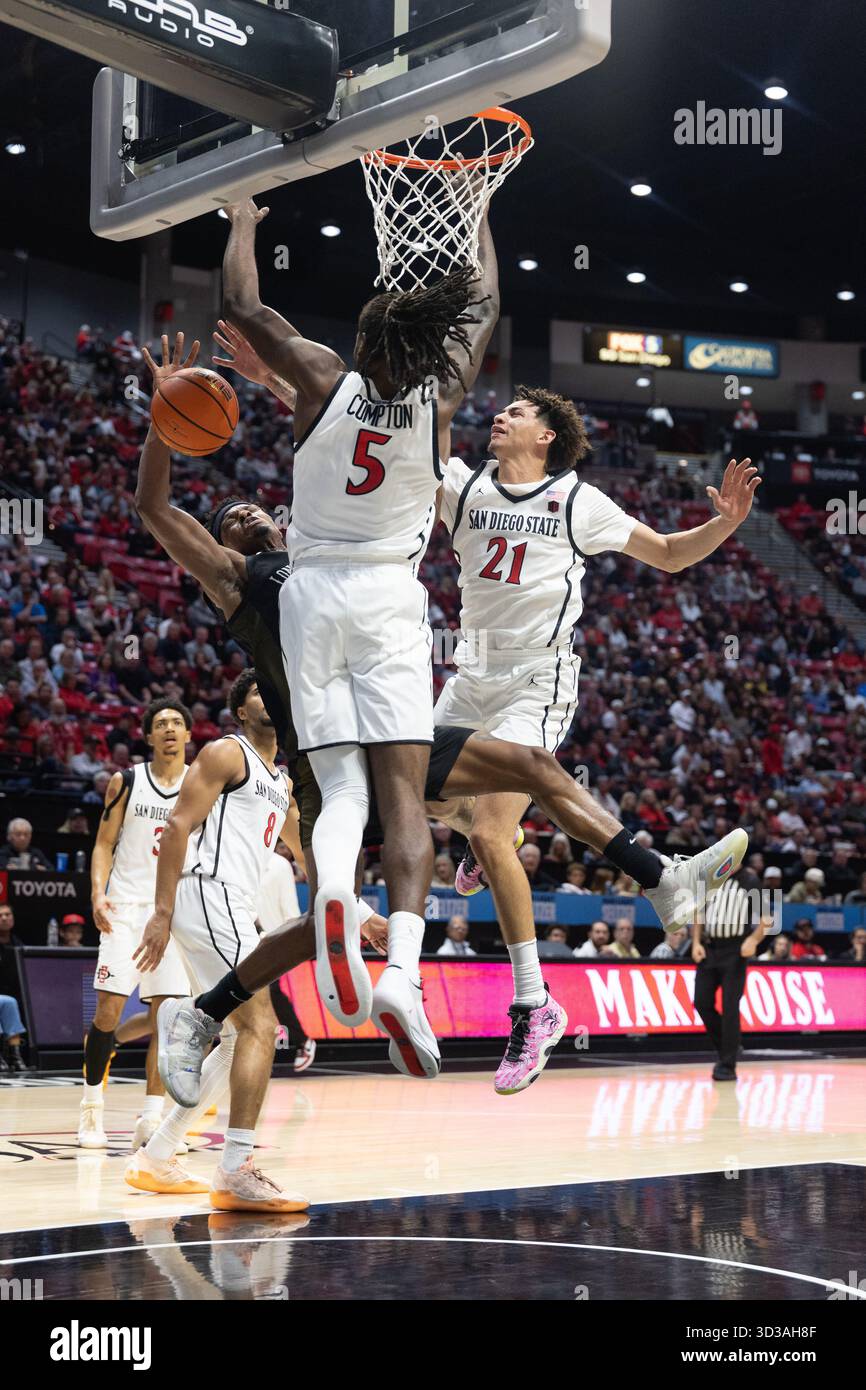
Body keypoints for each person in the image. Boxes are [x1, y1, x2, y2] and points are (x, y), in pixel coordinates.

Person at [138, 333, 748, 1091]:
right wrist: (180, 416)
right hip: (326, 749)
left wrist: (277, 381)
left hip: (420, 722)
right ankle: (209, 1010)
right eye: (234, 517)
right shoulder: (241, 577)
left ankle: (569, 929)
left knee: (509, 791)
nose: (251, 515)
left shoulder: (342, 547)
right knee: (324, 919)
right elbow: (332, 440)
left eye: (257, 508)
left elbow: (369, 433)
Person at [220, 198, 500, 1074]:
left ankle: (334, 893)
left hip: (312, 595)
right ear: (423, 348)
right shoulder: (439, 403)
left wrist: (241, 221)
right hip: (388, 596)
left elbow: (241, 308)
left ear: (366, 339)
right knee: (404, 801)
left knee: (340, 792)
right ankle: (403, 974)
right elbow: (485, 304)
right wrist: (480, 214)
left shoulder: (320, 378)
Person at [438, 387, 760, 1085]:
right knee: (416, 794)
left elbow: (671, 554)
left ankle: (534, 1006)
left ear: (547, 436)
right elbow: (371, 425)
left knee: (494, 832)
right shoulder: (459, 487)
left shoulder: (578, 500)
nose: (503, 415)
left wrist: (725, 525)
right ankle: (475, 830)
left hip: (535, 681)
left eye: (519, 413)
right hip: (466, 678)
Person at [128, 670, 307, 1213]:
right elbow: (179, 825)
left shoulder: (284, 782)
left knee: (234, 1040)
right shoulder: (228, 753)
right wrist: (160, 912)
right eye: (256, 691)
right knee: (259, 1025)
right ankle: (235, 1169)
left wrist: (360, 912)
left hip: (231, 903)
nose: (269, 693)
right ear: (242, 712)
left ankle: (156, 1156)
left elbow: (309, 852)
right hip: (206, 891)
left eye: (274, 686)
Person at [79, 697, 195, 1151]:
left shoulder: (201, 784)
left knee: (166, 1019)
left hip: (172, 912)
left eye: (177, 723)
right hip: (125, 908)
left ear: (189, 735)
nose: (169, 729)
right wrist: (97, 892)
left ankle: (152, 1120)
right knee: (107, 1013)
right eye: (161, 724)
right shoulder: (125, 781)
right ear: (148, 737)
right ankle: (91, 1109)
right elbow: (103, 844)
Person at [692, 870, 770, 1081]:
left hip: (735, 951)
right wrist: (696, 942)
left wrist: (753, 940)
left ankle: (728, 1065)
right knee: (701, 1002)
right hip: (709, 948)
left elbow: (767, 919)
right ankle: (731, 1046)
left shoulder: (750, 880)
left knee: (730, 1007)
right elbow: (698, 912)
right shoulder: (709, 878)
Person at [257, 844, 316, 1074]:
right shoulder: (237, 856)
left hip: (271, 941)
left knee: (269, 994)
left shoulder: (280, 865)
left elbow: (291, 911)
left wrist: (289, 944)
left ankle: (302, 1042)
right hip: (240, 937)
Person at [0, 904, 26, 1072]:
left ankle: (15, 1057)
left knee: (10, 1002)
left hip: (6, 992)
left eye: (7, 914)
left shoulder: (17, 943)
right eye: (0, 915)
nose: (4, 918)